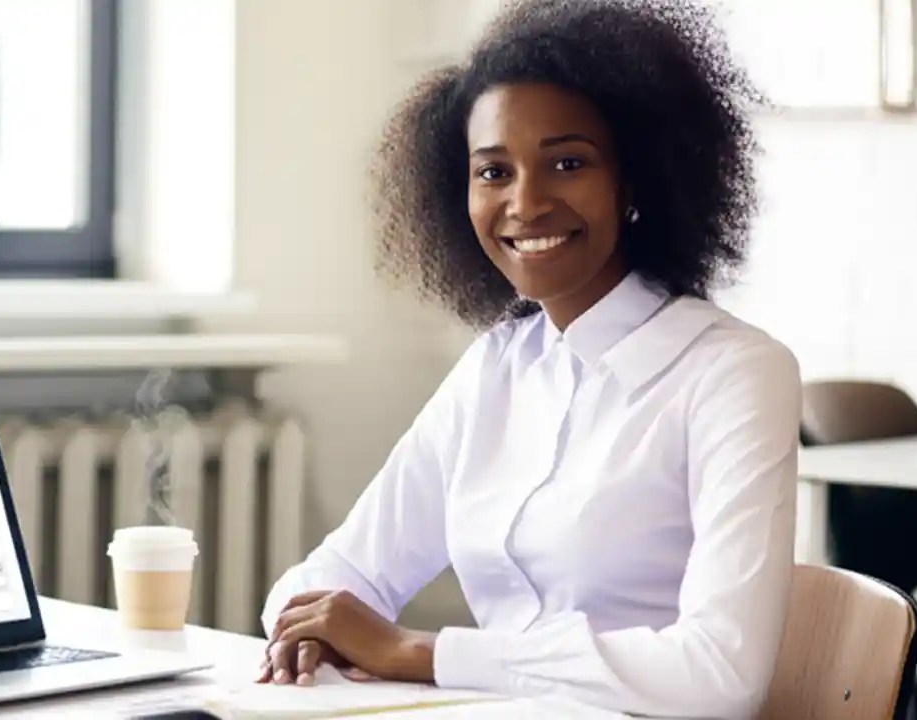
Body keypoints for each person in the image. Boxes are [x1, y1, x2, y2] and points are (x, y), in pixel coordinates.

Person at [257, 0, 801, 717]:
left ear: (634, 181)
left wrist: (420, 653)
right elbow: (334, 576)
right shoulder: (499, 364)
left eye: (567, 163)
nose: (526, 202)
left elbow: (719, 678)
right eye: (493, 172)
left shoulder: (736, 372)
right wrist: (307, 634)